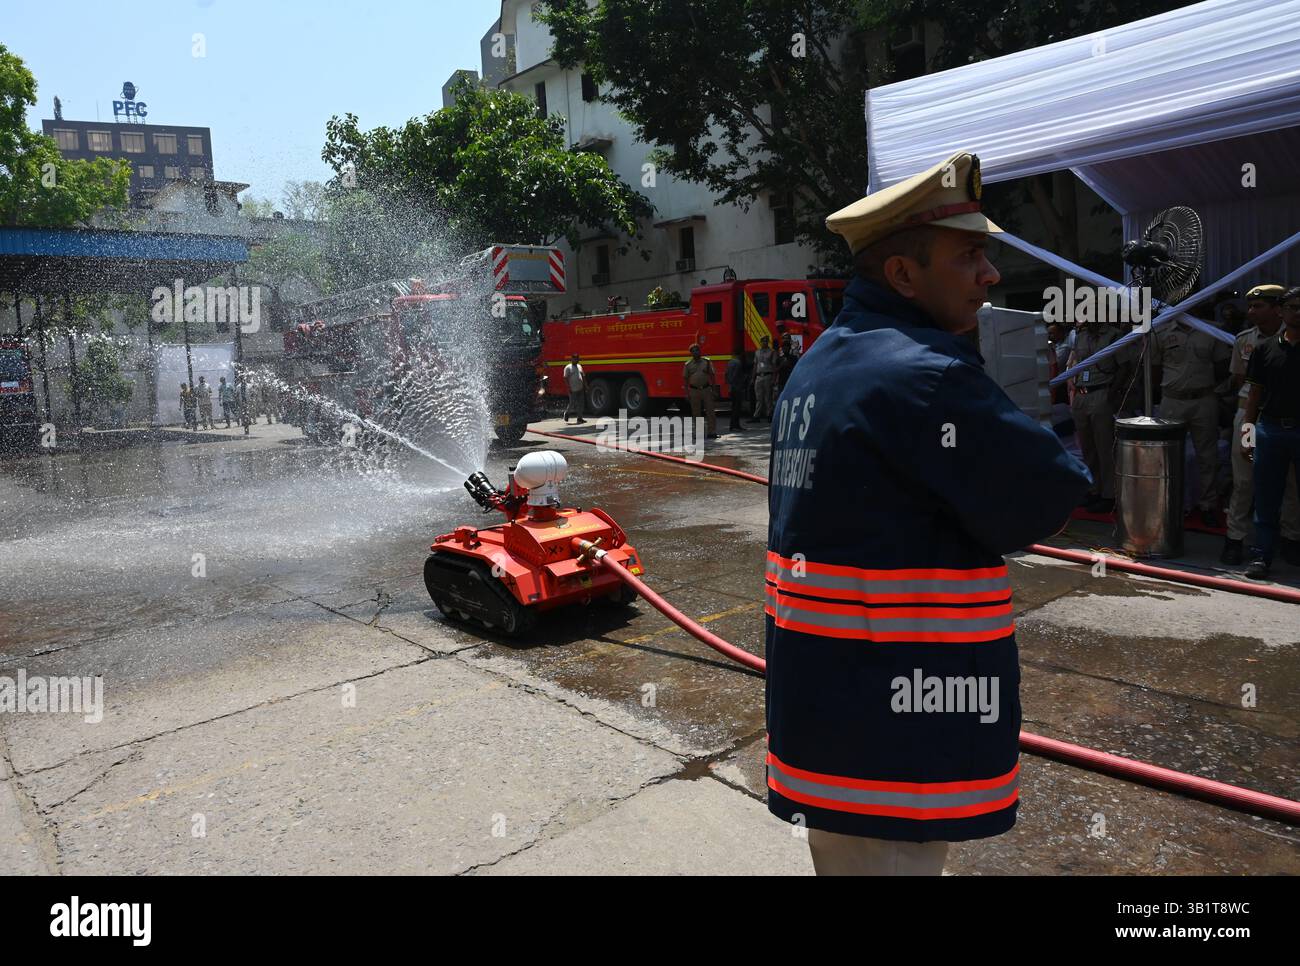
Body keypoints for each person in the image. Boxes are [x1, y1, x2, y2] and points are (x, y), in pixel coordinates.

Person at [766, 151, 1091, 876]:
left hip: (830, 721)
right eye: (969, 255)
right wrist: (1043, 413)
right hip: (898, 740)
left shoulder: (819, 366)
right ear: (904, 276)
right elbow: (1051, 495)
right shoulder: (926, 374)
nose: (991, 275)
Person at [1222, 285, 1300, 565]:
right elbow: (1242, 384)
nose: (1252, 311)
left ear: (1276, 309)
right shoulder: (1246, 341)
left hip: (1286, 421)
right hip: (1252, 417)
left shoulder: (1292, 339)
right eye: (1250, 307)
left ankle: (1290, 538)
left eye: (1259, 306)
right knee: (1244, 481)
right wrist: (1247, 430)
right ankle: (1236, 538)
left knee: (1291, 485)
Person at [1152, 313, 1232, 527]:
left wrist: (1216, 390)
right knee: (1167, 457)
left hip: (1203, 399)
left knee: (1208, 456)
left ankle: (1208, 505)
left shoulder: (1210, 331)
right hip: (1172, 400)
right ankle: (1169, 504)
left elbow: (1224, 366)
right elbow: (1154, 368)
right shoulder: (1160, 331)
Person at [1067, 316, 1133, 513]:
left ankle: (1109, 495)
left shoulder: (1114, 336)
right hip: (1081, 393)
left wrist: (1112, 392)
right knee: (1087, 447)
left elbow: (1124, 366)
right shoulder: (1080, 336)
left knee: (1104, 447)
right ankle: (1093, 489)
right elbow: (1076, 362)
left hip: (1101, 391)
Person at [683, 343, 718, 439]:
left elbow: (712, 376)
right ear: (691, 353)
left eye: (697, 350)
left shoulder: (706, 362)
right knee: (696, 412)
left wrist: (714, 390)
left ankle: (712, 432)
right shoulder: (688, 365)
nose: (695, 352)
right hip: (694, 390)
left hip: (706, 389)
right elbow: (685, 379)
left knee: (710, 411)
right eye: (693, 351)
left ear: (700, 351)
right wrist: (687, 393)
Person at [752, 336, 776, 421]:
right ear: (760, 342)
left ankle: (769, 415)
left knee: (768, 397)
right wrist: (753, 378)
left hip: (768, 376)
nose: (764, 343)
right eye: (763, 341)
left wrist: (774, 378)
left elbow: (773, 365)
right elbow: (755, 365)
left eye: (766, 341)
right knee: (759, 397)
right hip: (759, 376)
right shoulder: (757, 352)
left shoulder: (772, 352)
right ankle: (756, 416)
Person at [725, 349, 747, 433]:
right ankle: (736, 425)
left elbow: (726, 374)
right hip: (737, 387)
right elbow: (736, 375)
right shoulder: (738, 363)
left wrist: (729, 384)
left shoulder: (730, 362)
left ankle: (732, 425)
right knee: (737, 408)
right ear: (740, 355)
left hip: (732, 387)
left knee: (733, 407)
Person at [562, 353, 587, 424]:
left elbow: (583, 376)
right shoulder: (568, 367)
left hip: (580, 388)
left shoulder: (579, 366)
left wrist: (586, 386)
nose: (576, 360)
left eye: (577, 359)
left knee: (581, 404)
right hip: (573, 389)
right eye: (575, 358)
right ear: (572, 359)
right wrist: (568, 388)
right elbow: (565, 378)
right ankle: (567, 413)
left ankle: (579, 418)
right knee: (572, 403)